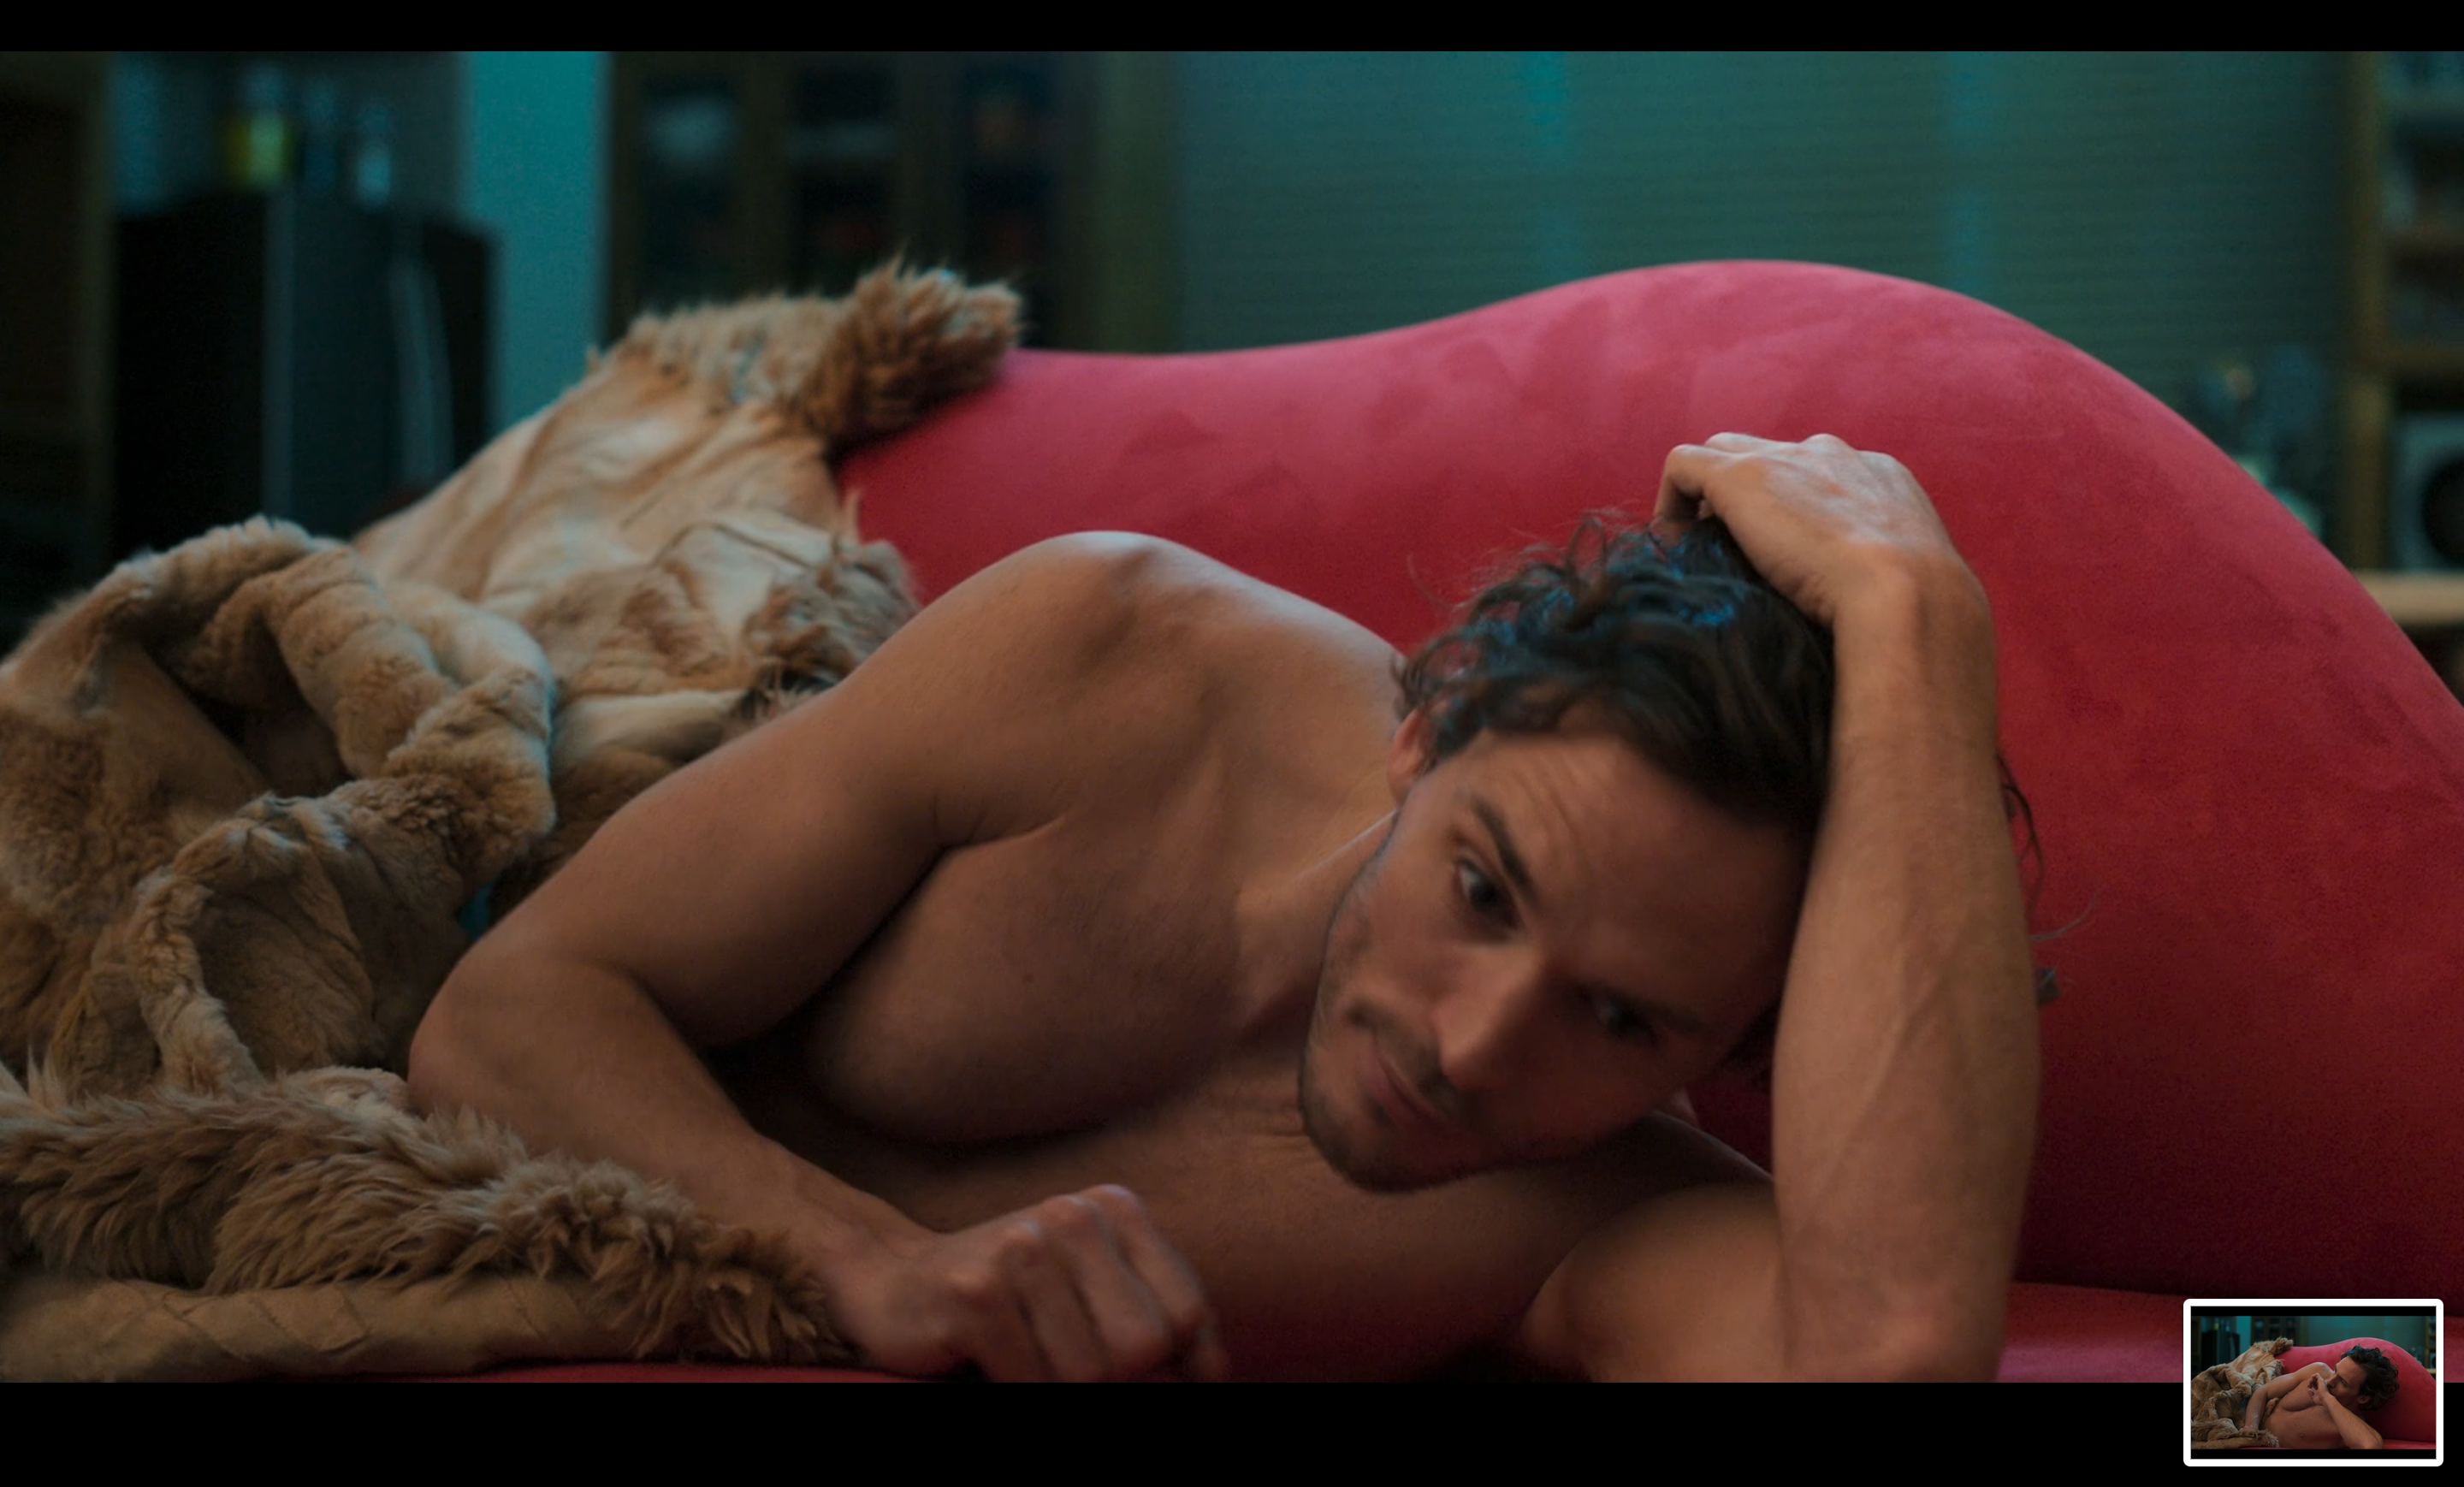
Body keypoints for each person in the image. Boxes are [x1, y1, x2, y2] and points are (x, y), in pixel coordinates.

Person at [407, 432, 2042, 1381]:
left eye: (1620, 1020)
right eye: (1483, 889)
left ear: (1740, 1046)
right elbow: (505, 1005)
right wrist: (872, 1268)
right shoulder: (1113, 656)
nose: (1475, 1044)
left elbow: (1889, 1356)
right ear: (1428, 727)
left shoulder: (1598, 1219)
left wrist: (1915, 622)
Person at [2244, 1348, 2396, 1448]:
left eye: (2343, 1382)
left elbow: (2371, 1446)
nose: (2330, 1381)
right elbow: (2263, 1392)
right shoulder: (2319, 1370)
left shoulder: (2348, 1426)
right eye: (2336, 1370)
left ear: (2362, 1398)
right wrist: (2250, 1430)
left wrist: (2327, 1399)